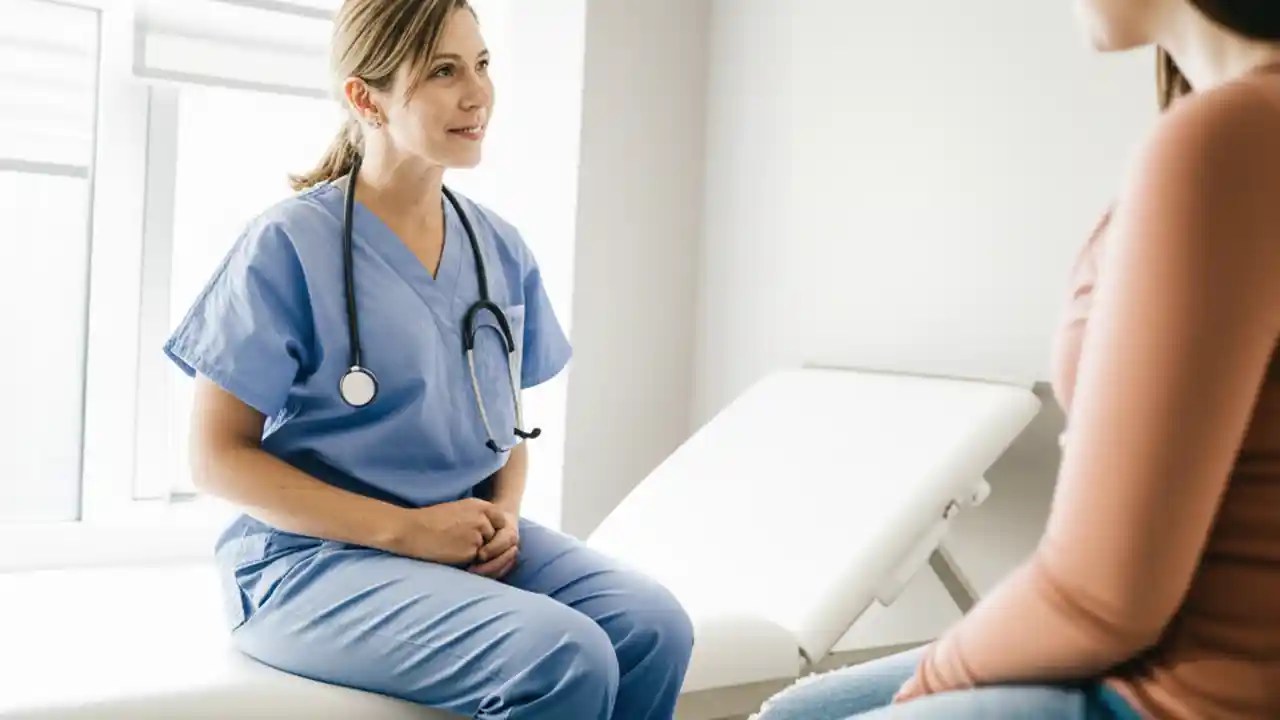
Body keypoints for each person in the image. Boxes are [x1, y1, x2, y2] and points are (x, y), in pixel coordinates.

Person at [162, 1, 693, 718]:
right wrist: (409, 531)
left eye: (481, 64)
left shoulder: (495, 246)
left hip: (457, 541)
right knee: (564, 655)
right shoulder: (288, 245)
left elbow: (503, 430)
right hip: (311, 562)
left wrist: (501, 514)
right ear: (364, 97)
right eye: (444, 71)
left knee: (652, 627)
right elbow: (215, 457)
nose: (477, 93)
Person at [753, 1, 1280, 719]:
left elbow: (1102, 599)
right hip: (1177, 646)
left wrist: (926, 688)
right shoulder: (1231, 129)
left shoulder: (1229, 140)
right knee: (800, 711)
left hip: (1190, 691)